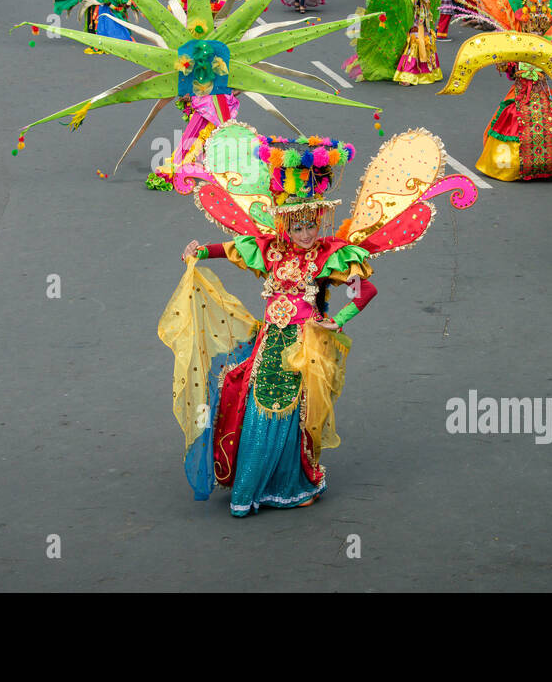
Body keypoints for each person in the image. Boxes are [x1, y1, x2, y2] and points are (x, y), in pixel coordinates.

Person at [165, 126, 478, 514]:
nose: (306, 233)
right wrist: (199, 251)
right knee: (259, 403)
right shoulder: (269, 249)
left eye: (312, 224)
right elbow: (229, 248)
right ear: (284, 224)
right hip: (270, 344)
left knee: (299, 412)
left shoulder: (329, 254)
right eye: (298, 226)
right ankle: (249, 491)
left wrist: (338, 319)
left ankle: (287, 484)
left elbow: (365, 290)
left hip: (306, 346)